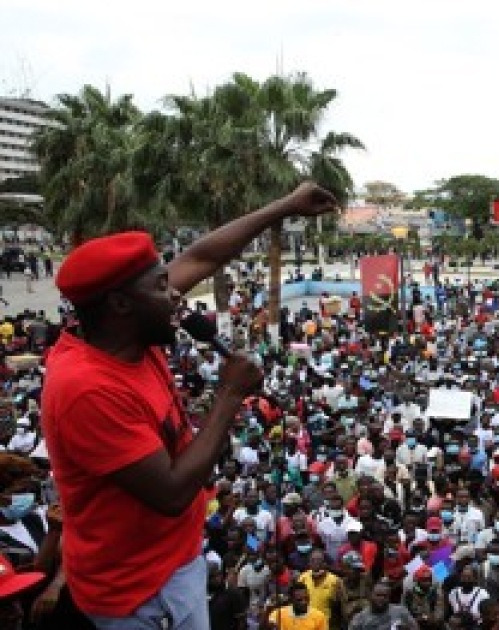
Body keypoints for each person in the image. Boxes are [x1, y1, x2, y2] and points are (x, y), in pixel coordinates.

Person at [41, 183, 338, 628]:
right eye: (163, 286)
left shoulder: (129, 329)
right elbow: (174, 493)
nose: (178, 295)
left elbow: (201, 257)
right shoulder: (86, 389)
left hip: (172, 562)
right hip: (138, 593)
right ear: (121, 304)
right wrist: (230, 395)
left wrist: (287, 206)